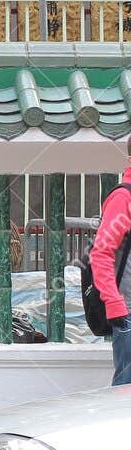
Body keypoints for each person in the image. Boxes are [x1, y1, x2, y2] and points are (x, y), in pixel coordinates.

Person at [88, 140, 131, 386]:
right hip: (129, 313)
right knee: (126, 395)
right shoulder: (123, 198)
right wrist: (114, 304)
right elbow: (101, 252)